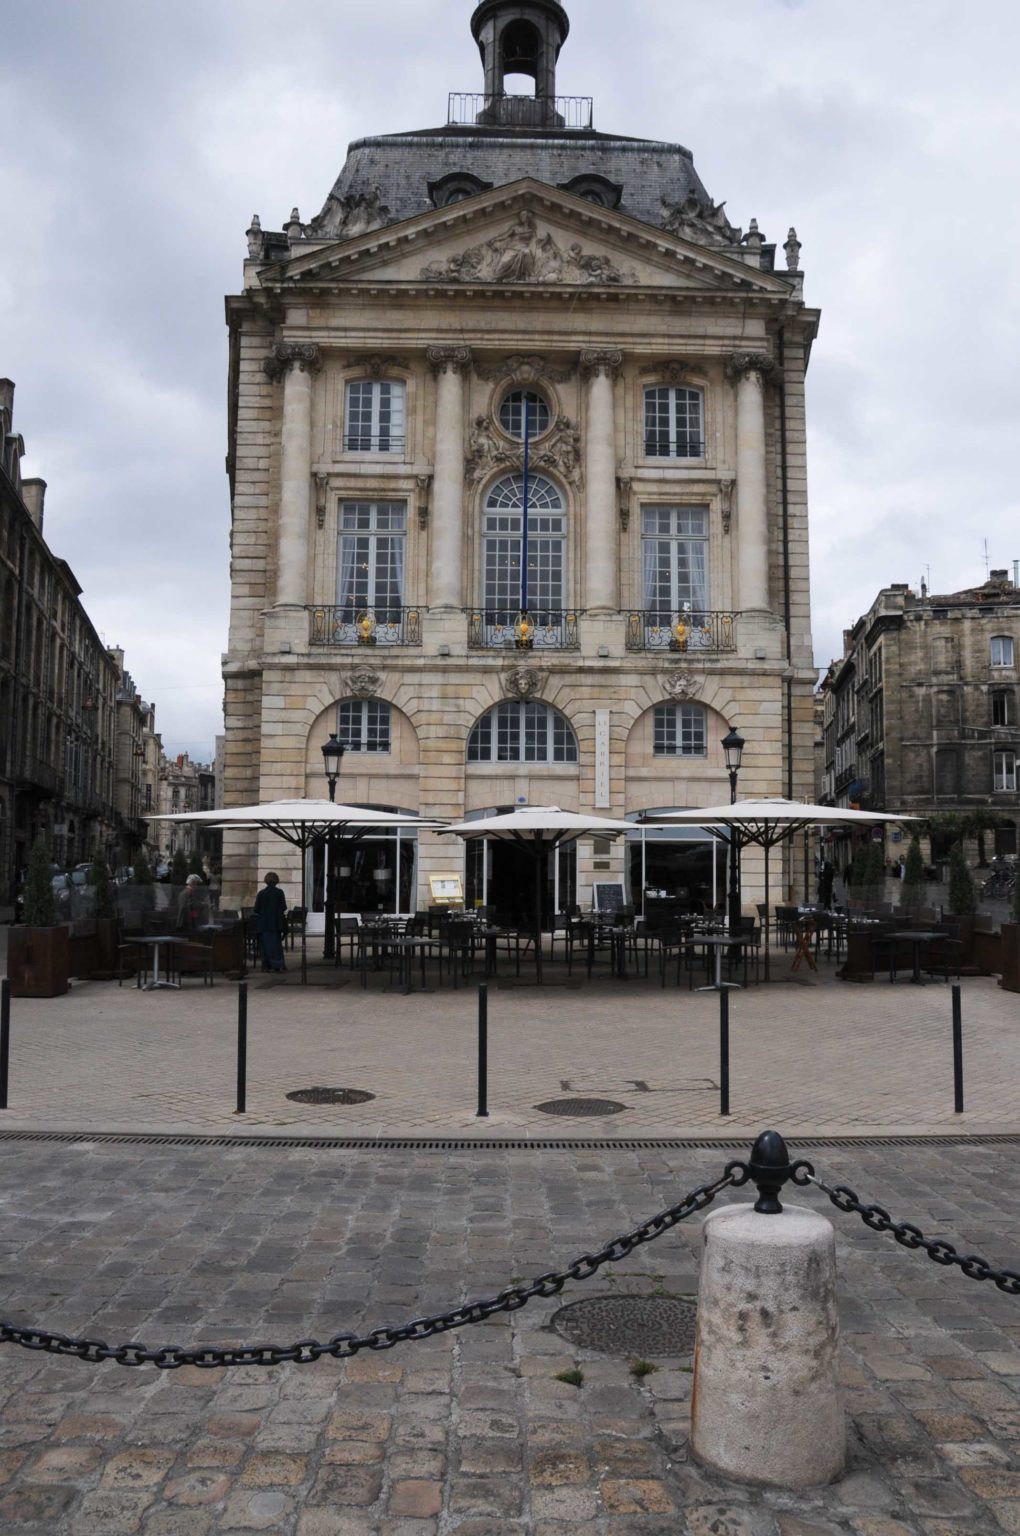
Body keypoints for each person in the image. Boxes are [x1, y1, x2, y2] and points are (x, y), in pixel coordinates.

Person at [253, 872, 287, 973]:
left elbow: (256, 909)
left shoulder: (261, 893)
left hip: (263, 923)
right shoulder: (279, 892)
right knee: (276, 945)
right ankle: (278, 964)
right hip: (276, 923)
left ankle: (266, 965)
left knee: (264, 945)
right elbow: (283, 907)